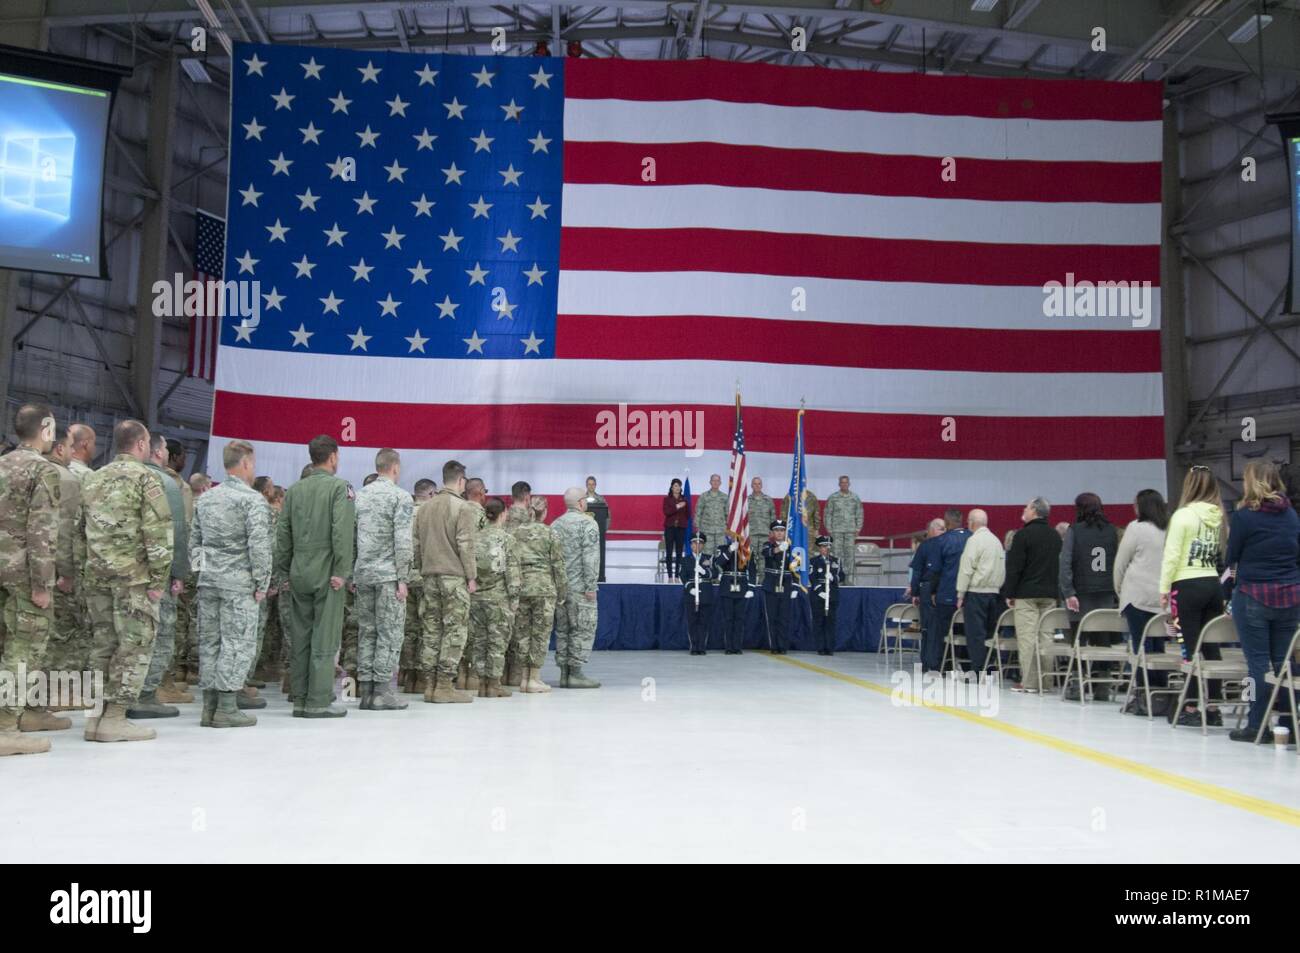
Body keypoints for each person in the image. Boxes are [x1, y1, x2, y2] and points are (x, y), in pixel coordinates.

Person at [81, 419, 174, 742]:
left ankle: (94, 719)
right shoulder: (147, 479)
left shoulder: (94, 479)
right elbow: (158, 533)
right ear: (140, 444)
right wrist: (159, 579)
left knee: (101, 647)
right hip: (133, 579)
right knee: (133, 646)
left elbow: (81, 532)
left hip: (96, 577)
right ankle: (116, 717)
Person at [190, 440, 272, 728]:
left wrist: (203, 574)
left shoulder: (206, 498)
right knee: (237, 644)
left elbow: (195, 543)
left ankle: (208, 707)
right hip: (239, 584)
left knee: (210, 643)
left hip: (208, 582)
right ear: (246, 463)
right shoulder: (252, 501)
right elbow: (259, 547)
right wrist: (262, 583)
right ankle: (226, 707)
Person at [276, 434, 356, 719]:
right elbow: (342, 532)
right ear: (333, 456)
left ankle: (300, 697)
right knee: (325, 636)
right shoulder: (340, 488)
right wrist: (341, 571)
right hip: (326, 570)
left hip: (299, 568)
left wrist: (284, 570)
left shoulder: (295, 490)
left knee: (301, 635)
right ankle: (319, 700)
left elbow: (282, 533)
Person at [0, 404, 63, 755]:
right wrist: (42, 584)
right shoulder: (44, 470)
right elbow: (42, 532)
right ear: (46, 428)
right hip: (24, 573)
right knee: (23, 651)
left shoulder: (2, 463)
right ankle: (6, 726)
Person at [1225, 461, 1300, 742]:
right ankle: (1288, 723)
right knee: (1283, 663)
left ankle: (1257, 725)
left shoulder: (1245, 516)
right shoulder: (1291, 514)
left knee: (1258, 664)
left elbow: (1231, 555)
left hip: (1254, 593)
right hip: (1291, 594)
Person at [130, 433, 192, 719]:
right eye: (166, 448)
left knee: (124, 639)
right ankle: (145, 695)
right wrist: (179, 573)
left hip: (118, 575)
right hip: (157, 576)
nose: (168, 453)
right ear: (155, 451)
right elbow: (178, 532)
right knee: (160, 635)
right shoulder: (167, 483)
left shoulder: (107, 477)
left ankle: (120, 696)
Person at [1159, 466, 1225, 726]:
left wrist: (1164, 588)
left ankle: (1189, 705)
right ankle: (1213, 707)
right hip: (1212, 583)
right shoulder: (1217, 516)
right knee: (1211, 647)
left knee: (1189, 647)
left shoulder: (1183, 516)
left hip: (1186, 585)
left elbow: (1172, 555)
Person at [352, 448, 413, 711]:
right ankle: (383, 692)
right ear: (395, 468)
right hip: (389, 575)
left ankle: (365, 691)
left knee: (367, 632)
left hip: (363, 573)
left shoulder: (359, 496)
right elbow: (402, 540)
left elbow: (351, 536)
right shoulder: (400, 497)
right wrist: (403, 577)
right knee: (389, 634)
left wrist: (353, 571)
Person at [413, 459, 478, 703]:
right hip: (454, 577)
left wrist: (423, 569)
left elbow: (416, 544)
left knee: (431, 629)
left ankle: (429, 685)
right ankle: (444, 685)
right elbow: (466, 544)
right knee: (455, 630)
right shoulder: (462, 507)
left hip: (429, 576)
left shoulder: (425, 508)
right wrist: (471, 576)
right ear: (461, 480)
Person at [41, 425, 87, 705]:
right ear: (60, 448)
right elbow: (66, 530)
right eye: (70, 447)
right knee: (63, 633)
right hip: (54, 570)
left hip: (19, 568)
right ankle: (57, 694)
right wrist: (67, 573)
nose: (72, 452)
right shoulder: (65, 478)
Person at [1058, 492, 1120, 700]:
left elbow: (1065, 563)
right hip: (1104, 592)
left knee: (1078, 640)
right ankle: (1103, 685)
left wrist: (1068, 592)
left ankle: (1076, 684)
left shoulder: (1074, 530)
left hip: (1081, 593)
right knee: (1102, 640)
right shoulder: (1112, 530)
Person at [1113, 489, 1169, 712]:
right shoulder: (1169, 528)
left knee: (1140, 649)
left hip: (1136, 597)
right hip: (1162, 598)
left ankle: (1143, 696)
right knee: (1159, 649)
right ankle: (1160, 696)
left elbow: (1121, 562)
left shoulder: (1136, 527)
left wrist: (1120, 591)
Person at [1001, 497, 1061, 693]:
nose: (1024, 510)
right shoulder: (1054, 536)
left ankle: (1030, 682)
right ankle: (1047, 681)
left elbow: (1014, 568)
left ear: (1034, 510)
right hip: (1049, 593)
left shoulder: (1022, 535)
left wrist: (1009, 593)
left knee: (1027, 639)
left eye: (1026, 507)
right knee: (1046, 638)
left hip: (1026, 594)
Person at [511, 493, 567, 692]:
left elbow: (510, 562)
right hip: (543, 589)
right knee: (540, 634)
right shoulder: (550, 533)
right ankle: (534, 677)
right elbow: (558, 565)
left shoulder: (516, 532)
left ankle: (524, 679)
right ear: (545, 512)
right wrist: (562, 591)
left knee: (523, 633)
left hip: (521, 587)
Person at [468, 497, 521, 696]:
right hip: (499, 599)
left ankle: (482, 684)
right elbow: (512, 572)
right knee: (497, 643)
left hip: (476, 598)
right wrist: (514, 600)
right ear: (503, 514)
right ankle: (494, 684)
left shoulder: (474, 538)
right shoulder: (507, 539)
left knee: (479, 642)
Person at [552, 487, 601, 687]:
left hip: (561, 588)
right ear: (581, 502)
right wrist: (591, 586)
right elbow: (590, 558)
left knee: (563, 630)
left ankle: (563, 673)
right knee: (582, 629)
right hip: (581, 588)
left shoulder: (555, 524)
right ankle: (576, 673)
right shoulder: (588, 524)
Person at [955, 509, 1005, 676]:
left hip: (976, 593)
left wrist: (961, 593)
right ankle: (989, 669)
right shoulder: (996, 541)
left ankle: (977, 672)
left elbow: (966, 569)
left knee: (975, 635)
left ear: (971, 522)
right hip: (994, 594)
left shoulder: (974, 540)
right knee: (989, 635)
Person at [399, 478, 437, 694]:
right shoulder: (430, 514)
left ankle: (407, 674)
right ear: (431, 495)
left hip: (405, 578)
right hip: (424, 577)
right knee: (427, 627)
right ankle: (422, 677)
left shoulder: (403, 512)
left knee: (407, 628)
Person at [923, 509, 970, 673]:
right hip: (969, 595)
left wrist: (933, 592)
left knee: (942, 633)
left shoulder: (942, 541)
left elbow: (935, 570)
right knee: (966, 632)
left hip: (947, 593)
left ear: (947, 522)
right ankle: (968, 667)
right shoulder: (972, 538)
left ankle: (942, 666)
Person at [905, 519, 945, 659]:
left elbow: (917, 572)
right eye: (942, 529)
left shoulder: (926, 546)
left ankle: (928, 661)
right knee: (938, 629)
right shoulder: (950, 545)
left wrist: (915, 592)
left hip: (929, 590)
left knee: (928, 628)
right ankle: (940, 661)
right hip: (945, 590)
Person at [761, 520, 799, 654]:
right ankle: (773, 646)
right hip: (771, 583)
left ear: (785, 532)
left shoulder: (791, 547)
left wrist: (794, 585)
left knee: (784, 618)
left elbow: (795, 568)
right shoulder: (768, 545)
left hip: (786, 584)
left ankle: (782, 646)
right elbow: (766, 553)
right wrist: (778, 549)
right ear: (772, 533)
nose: (779, 533)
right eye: (776, 530)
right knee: (772, 617)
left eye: (782, 530)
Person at [713, 534, 756, 654]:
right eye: (733, 536)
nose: (736, 537)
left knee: (739, 619)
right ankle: (728, 647)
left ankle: (737, 647)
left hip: (742, 586)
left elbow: (752, 569)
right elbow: (718, 563)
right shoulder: (722, 548)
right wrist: (730, 550)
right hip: (727, 585)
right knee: (728, 619)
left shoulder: (747, 550)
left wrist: (751, 588)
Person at [681, 531, 717, 655]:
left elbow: (716, 573)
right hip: (691, 594)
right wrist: (690, 588)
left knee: (704, 622)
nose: (697, 545)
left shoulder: (709, 558)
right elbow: (683, 576)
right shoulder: (686, 560)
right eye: (694, 543)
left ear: (703, 545)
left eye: (700, 543)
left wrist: (704, 572)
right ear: (691, 545)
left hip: (706, 593)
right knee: (692, 622)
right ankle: (694, 646)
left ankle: (702, 647)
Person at [824, 476, 863, 585]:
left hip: (850, 531)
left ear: (849, 484)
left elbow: (859, 513)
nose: (844, 484)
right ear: (839, 484)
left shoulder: (855, 498)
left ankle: (848, 579)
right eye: (842, 483)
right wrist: (829, 529)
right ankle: (837, 578)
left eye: (846, 483)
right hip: (836, 531)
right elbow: (828, 514)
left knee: (849, 555)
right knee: (836, 554)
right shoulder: (833, 497)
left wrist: (858, 528)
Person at [809, 535, 843, 655]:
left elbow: (842, 576)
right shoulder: (813, 561)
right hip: (819, 593)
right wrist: (819, 592)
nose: (826, 549)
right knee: (819, 621)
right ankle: (820, 647)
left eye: (828, 546)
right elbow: (812, 578)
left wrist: (834, 577)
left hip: (832, 593)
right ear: (819, 548)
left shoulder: (836, 561)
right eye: (823, 546)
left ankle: (830, 647)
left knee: (830, 621)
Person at [695, 474, 728, 555]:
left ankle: (718, 568)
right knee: (707, 555)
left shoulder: (725, 497)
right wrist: (697, 528)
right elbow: (698, 512)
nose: (715, 482)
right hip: (707, 531)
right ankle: (708, 568)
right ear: (710, 482)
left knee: (721, 556)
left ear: (720, 483)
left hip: (720, 532)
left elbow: (728, 514)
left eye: (717, 480)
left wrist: (727, 528)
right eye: (713, 480)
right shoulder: (704, 496)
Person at [662, 478, 688, 580]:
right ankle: (669, 576)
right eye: (675, 486)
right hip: (670, 528)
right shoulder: (666, 499)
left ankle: (677, 575)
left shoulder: (685, 500)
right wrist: (677, 506)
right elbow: (666, 512)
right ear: (672, 488)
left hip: (681, 528)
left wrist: (682, 521)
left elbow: (688, 514)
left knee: (679, 552)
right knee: (669, 552)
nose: (677, 488)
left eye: (679, 486)